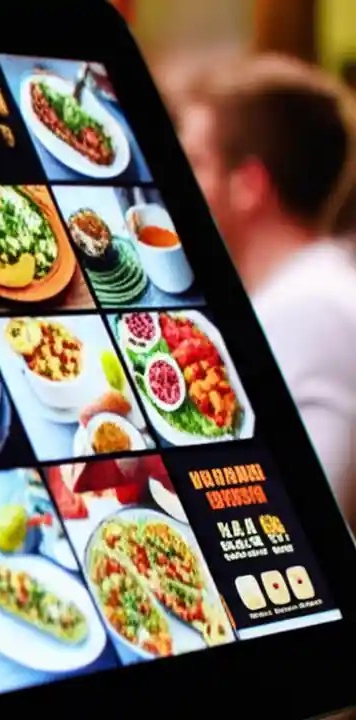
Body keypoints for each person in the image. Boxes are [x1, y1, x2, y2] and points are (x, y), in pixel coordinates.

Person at [171, 54, 356, 519]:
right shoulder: (310, 288)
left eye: (195, 162)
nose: (174, 183)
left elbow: (305, 516)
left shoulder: (309, 308)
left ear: (249, 186)